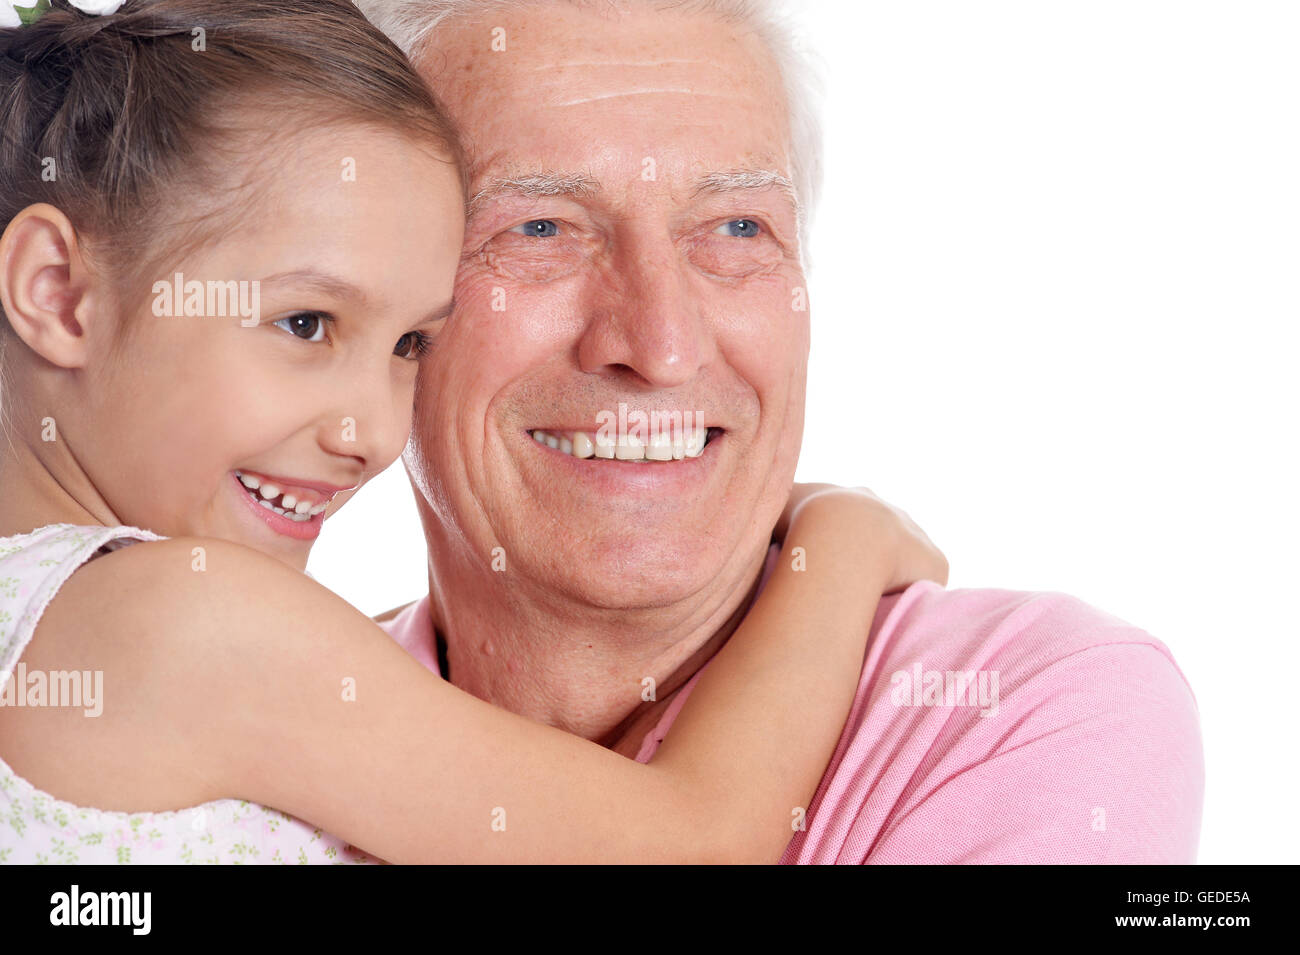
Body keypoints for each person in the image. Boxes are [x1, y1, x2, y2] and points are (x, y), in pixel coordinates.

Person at [0, 0, 948, 864]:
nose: (370, 431)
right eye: (305, 324)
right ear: (56, 291)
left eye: (411, 341)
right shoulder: (185, 624)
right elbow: (691, 841)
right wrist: (842, 542)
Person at [357, 0, 1206, 863]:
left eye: (735, 228)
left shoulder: (1033, 707)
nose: (663, 346)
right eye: (537, 229)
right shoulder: (273, 732)